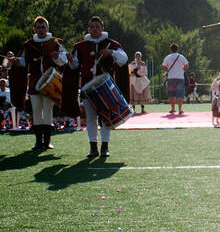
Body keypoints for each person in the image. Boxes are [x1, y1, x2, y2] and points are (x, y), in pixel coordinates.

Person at [69, 16, 130, 161]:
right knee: (90, 118)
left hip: (106, 87)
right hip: (87, 88)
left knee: (105, 117)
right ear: (88, 29)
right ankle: (93, 147)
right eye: (92, 27)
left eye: (97, 26)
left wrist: (111, 53)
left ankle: (105, 146)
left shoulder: (112, 44)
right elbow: (74, 66)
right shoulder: (80, 46)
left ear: (102, 28)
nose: (94, 29)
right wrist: (71, 60)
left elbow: (123, 59)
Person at [10, 16, 69, 152]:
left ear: (47, 28)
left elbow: (64, 60)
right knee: (36, 111)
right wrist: (16, 61)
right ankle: (38, 142)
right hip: (35, 82)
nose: (41, 30)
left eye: (43, 27)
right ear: (34, 29)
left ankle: (47, 142)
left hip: (50, 82)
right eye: (38, 27)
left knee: (47, 111)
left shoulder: (56, 42)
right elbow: (23, 61)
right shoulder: (28, 45)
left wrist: (57, 57)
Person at [162, 44, 188, 116]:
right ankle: (180, 109)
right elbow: (186, 66)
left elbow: (163, 67)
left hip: (171, 77)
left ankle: (173, 109)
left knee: (171, 93)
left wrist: (169, 69)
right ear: (177, 49)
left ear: (171, 50)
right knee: (180, 93)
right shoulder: (181, 57)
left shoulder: (168, 57)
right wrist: (181, 68)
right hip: (180, 77)